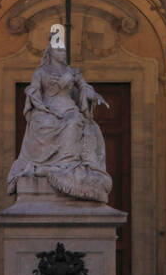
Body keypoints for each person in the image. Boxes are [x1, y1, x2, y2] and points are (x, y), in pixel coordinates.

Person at [8, 27, 112, 203]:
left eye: (64, 50)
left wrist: (92, 95)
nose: (63, 53)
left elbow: (84, 87)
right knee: (42, 123)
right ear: (51, 51)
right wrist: (44, 108)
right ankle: (48, 165)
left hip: (68, 108)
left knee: (74, 122)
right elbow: (34, 93)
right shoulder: (41, 72)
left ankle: (66, 165)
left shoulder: (72, 72)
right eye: (59, 50)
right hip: (46, 109)